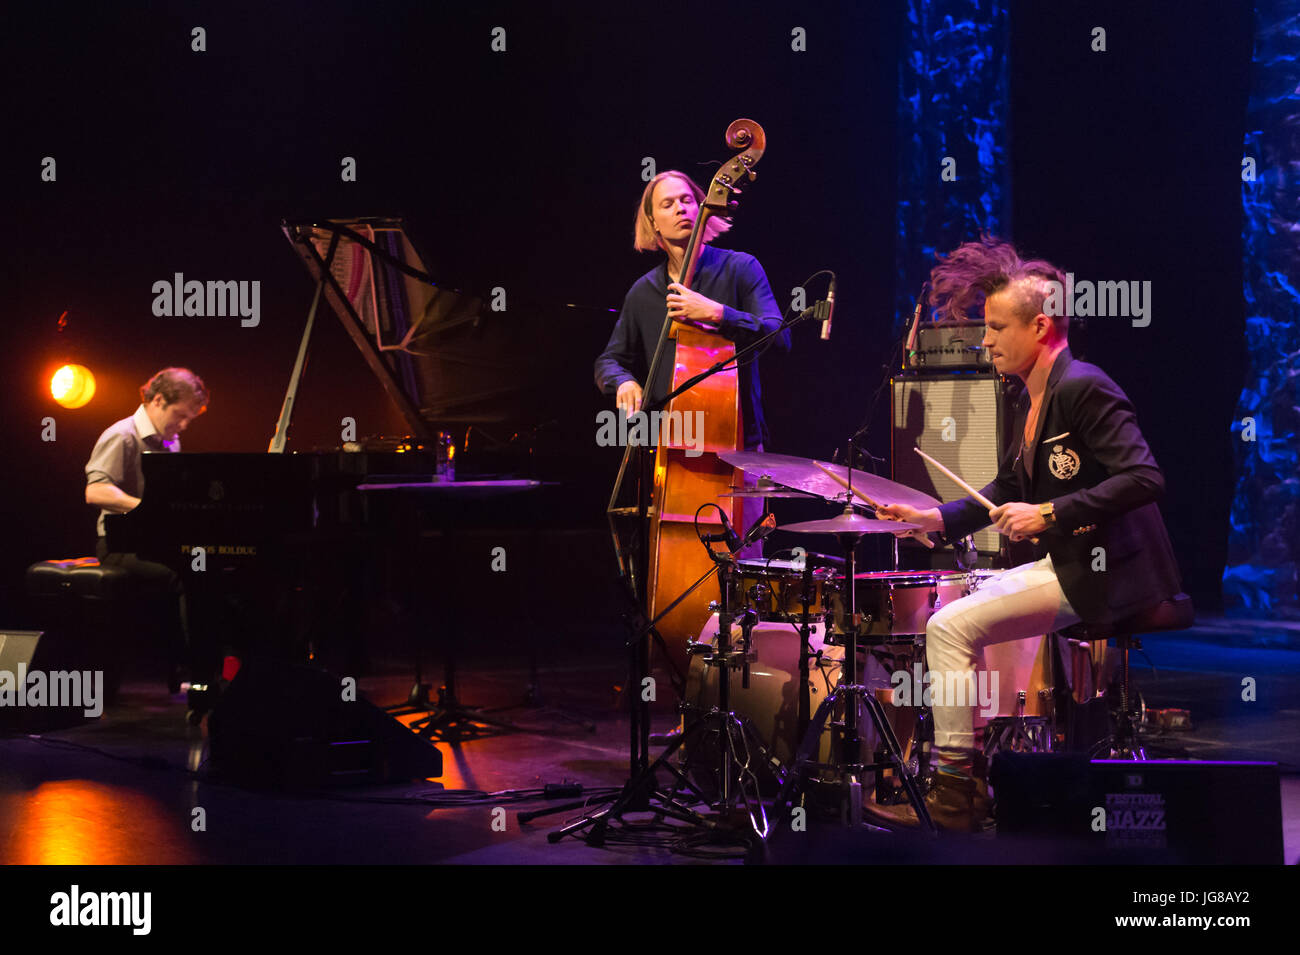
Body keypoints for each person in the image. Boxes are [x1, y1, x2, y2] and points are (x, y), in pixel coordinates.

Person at [873, 237, 1182, 832]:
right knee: (955, 614)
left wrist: (1049, 514)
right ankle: (973, 782)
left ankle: (955, 795)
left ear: (1040, 325)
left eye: (995, 328)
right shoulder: (1031, 394)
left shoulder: (1082, 386)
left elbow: (1145, 477)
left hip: (1107, 573)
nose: (984, 340)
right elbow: (1013, 479)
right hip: (1068, 563)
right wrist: (937, 519)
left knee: (947, 625)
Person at [594, 170, 788, 452]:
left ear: (701, 208)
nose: (680, 209)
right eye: (667, 204)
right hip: (668, 447)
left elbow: (780, 337)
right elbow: (609, 360)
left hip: (740, 447)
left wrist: (719, 313)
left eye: (686, 200)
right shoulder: (643, 291)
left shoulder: (741, 268)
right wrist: (622, 381)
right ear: (654, 223)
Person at [85, 367, 208, 696]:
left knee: (211, 567)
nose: (183, 426)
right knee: (187, 575)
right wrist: (145, 509)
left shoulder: (170, 441)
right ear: (157, 400)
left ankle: (217, 665)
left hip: (151, 542)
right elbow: (95, 492)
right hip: (116, 546)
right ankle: (194, 670)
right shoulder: (122, 435)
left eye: (188, 421)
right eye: (180, 416)